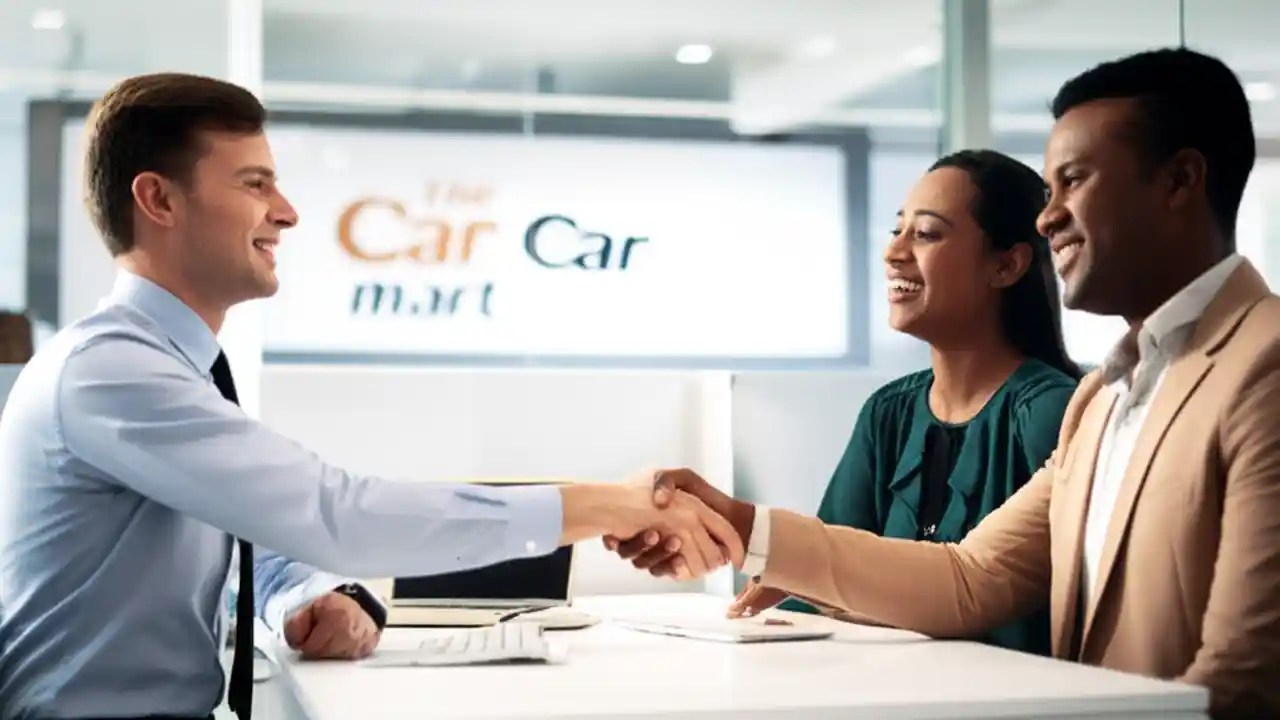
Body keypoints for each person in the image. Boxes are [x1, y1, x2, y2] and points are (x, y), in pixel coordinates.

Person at [0, 73, 742, 720]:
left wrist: (314, 598)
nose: (286, 212)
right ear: (158, 199)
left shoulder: (167, 366)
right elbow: (332, 512)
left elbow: (262, 538)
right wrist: (612, 503)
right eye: (254, 184)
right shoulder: (111, 371)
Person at [612, 48, 1280, 719]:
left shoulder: (1264, 363)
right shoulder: (1102, 398)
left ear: (1179, 181)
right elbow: (970, 577)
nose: (1049, 219)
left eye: (1074, 182)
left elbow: (1246, 675)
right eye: (1049, 193)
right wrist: (742, 524)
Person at [651, 149, 1079, 655]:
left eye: (925, 234)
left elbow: (982, 593)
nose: (894, 252)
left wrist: (765, 543)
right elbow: (827, 573)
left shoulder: (1051, 413)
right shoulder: (889, 413)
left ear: (1007, 264)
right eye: (897, 230)